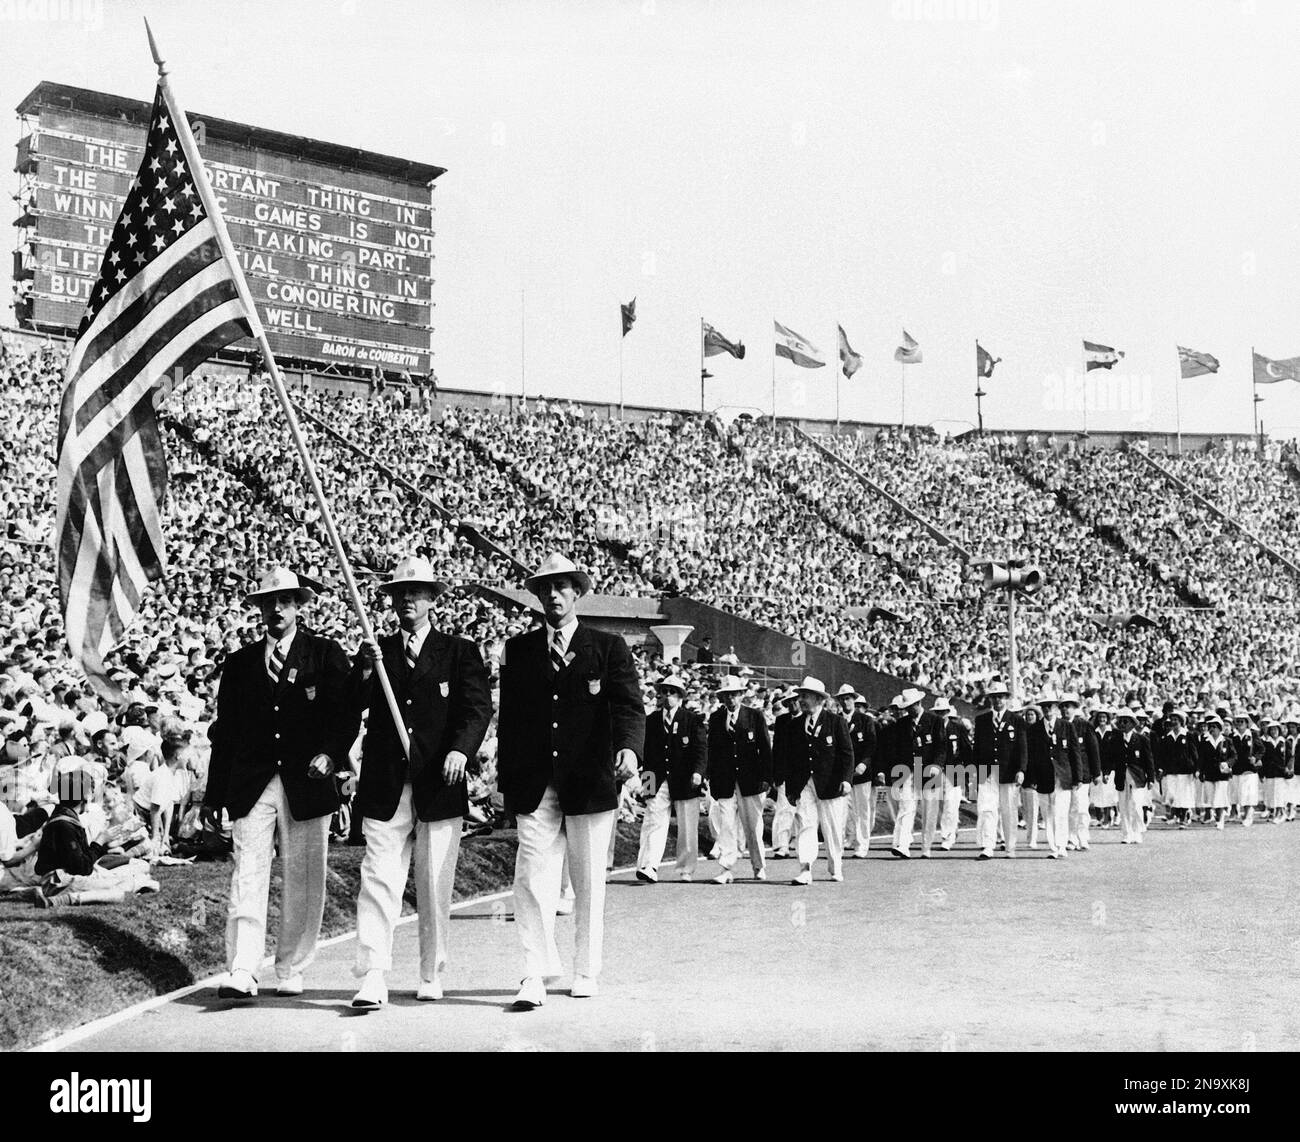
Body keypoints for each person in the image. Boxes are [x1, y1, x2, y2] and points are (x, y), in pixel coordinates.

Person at [203, 567, 358, 1000]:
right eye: (269, 602)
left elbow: (344, 714)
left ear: (298, 606)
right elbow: (225, 733)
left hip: (306, 781)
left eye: (285, 601)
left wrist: (330, 753)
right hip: (252, 781)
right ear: (260, 608)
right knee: (247, 873)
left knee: (304, 877)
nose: (276, 609)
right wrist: (215, 794)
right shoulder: (239, 664)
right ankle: (243, 968)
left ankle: (291, 965)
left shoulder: (325, 654)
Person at [496, 554, 643, 1009]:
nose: (554, 596)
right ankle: (535, 972)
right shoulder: (519, 651)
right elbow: (511, 722)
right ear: (538, 596)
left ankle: (585, 969)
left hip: (591, 780)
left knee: (588, 881)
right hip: (536, 783)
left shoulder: (607, 646)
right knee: (532, 878)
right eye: (546, 589)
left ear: (577, 593)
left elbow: (629, 706)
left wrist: (630, 749)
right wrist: (507, 779)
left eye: (562, 588)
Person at [349, 555, 493, 1009]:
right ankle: (373, 974)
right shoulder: (376, 650)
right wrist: (367, 671)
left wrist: (459, 750)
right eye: (398, 593)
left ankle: (431, 971)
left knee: (434, 884)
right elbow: (349, 705)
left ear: (433, 599)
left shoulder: (458, 651)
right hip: (386, 782)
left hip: (438, 782)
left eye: (415, 592)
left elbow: (476, 710)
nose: (406, 599)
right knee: (378, 878)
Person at [636, 674, 707, 881]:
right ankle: (649, 866)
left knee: (686, 826)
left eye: (672, 692)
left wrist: (698, 773)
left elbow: (701, 749)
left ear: (680, 696)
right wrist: (646, 785)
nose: (667, 696)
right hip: (657, 779)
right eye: (665, 692)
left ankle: (686, 869)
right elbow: (647, 753)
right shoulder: (651, 720)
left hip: (685, 779)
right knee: (652, 820)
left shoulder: (692, 720)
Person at [783, 676, 853, 885]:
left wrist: (846, 780)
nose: (801, 700)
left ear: (818, 699)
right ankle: (805, 868)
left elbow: (847, 754)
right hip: (804, 783)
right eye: (801, 696)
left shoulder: (836, 722)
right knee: (805, 823)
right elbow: (790, 759)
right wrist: (790, 788)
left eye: (805, 696)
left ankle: (835, 865)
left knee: (831, 827)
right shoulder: (795, 725)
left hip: (830, 783)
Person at [705, 674, 771, 884]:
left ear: (741, 695)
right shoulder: (716, 719)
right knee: (726, 825)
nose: (730, 699)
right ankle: (726, 868)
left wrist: (766, 778)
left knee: (753, 826)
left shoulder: (755, 716)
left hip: (751, 780)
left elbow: (765, 749)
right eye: (726, 696)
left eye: (734, 695)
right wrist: (712, 780)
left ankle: (758, 865)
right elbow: (712, 752)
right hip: (724, 780)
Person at [972, 680, 1025, 859]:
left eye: (1001, 697)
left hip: (1009, 772)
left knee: (1008, 810)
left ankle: (1010, 846)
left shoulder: (1016, 720)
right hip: (987, 772)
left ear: (1006, 699)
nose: (998, 701)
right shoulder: (982, 720)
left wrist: (1021, 769)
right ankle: (988, 845)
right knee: (987, 809)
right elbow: (977, 748)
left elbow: (1022, 748)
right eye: (994, 698)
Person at [920, 696, 967, 855]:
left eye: (943, 712)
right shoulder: (929, 728)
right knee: (933, 805)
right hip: (935, 770)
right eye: (938, 712)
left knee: (951, 805)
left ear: (948, 712)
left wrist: (967, 770)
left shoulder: (958, 728)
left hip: (955, 770)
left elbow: (966, 750)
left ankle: (947, 837)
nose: (941, 715)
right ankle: (934, 836)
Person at [836, 683, 878, 858]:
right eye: (843, 699)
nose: (846, 702)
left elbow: (871, 745)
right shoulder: (835, 719)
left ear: (854, 700)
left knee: (862, 810)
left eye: (849, 699)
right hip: (842, 772)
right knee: (843, 810)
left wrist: (864, 763)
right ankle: (845, 839)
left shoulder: (865, 720)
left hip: (861, 772)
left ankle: (862, 844)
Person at [889, 687, 930, 858]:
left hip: (928, 769)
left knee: (928, 809)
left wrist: (937, 766)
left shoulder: (932, 721)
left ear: (918, 703)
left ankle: (927, 847)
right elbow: (896, 750)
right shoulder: (902, 724)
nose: (907, 711)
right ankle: (901, 844)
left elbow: (941, 747)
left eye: (910, 707)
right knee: (906, 807)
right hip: (908, 771)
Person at [1064, 693, 1100, 851]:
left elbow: (1093, 750)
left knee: (1081, 807)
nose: (1066, 709)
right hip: (1065, 774)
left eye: (1069, 706)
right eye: (1063, 706)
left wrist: (1096, 772)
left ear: (1075, 708)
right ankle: (1071, 838)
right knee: (1068, 808)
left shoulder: (1084, 725)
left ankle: (1083, 837)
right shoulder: (1059, 725)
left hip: (1083, 774)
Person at [1114, 709, 1156, 844]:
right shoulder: (1115, 740)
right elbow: (1110, 757)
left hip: (1137, 776)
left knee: (1136, 804)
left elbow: (1149, 759)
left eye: (1125, 721)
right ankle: (1127, 833)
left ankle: (1137, 831)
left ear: (1132, 723)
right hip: (1121, 776)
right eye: (1120, 721)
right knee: (1124, 805)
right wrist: (1107, 772)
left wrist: (1151, 777)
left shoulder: (1142, 739)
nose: (1122, 724)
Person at [1196, 712, 1234, 831]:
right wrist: (1200, 772)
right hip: (1209, 773)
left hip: (1222, 774)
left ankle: (1220, 819)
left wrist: (1228, 764)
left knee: (1220, 797)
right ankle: (1214, 816)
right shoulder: (1205, 741)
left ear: (1219, 728)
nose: (1212, 729)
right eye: (1210, 727)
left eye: (1214, 727)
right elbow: (1201, 758)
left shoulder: (1227, 741)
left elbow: (1234, 756)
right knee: (1212, 798)